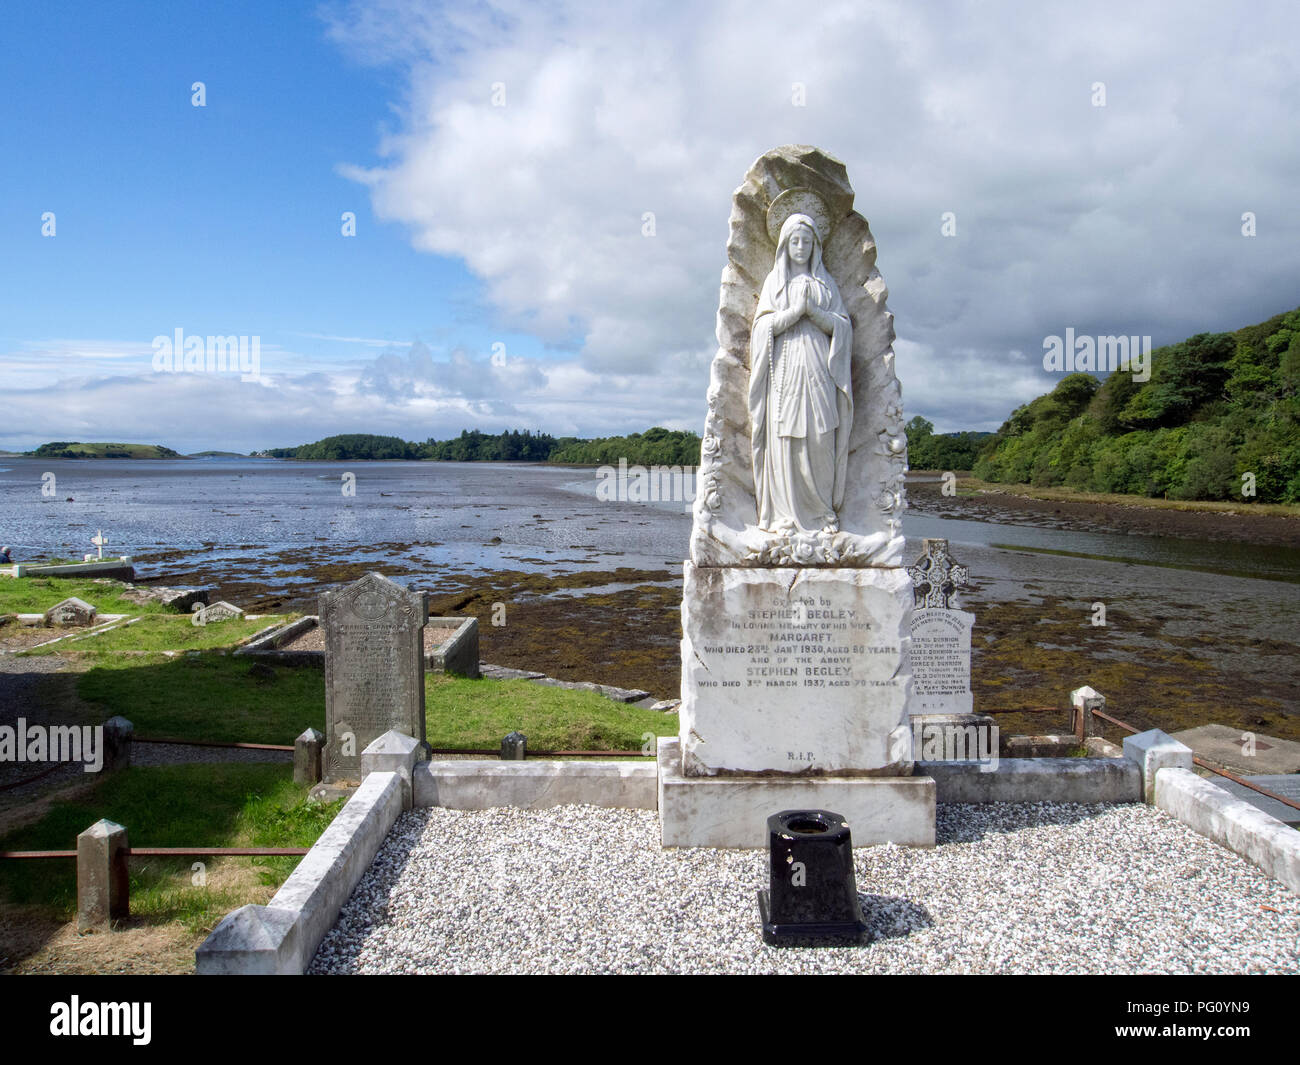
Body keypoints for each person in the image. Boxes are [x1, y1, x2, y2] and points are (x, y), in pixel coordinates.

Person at [748, 212, 853, 534]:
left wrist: (817, 314)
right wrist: (795, 313)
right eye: (794, 241)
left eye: (806, 241)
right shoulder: (775, 283)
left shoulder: (825, 284)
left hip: (821, 366)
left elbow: (843, 326)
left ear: (815, 246)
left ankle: (822, 512)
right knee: (786, 439)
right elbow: (761, 327)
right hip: (785, 369)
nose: (800, 247)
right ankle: (784, 515)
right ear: (784, 245)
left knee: (821, 436)